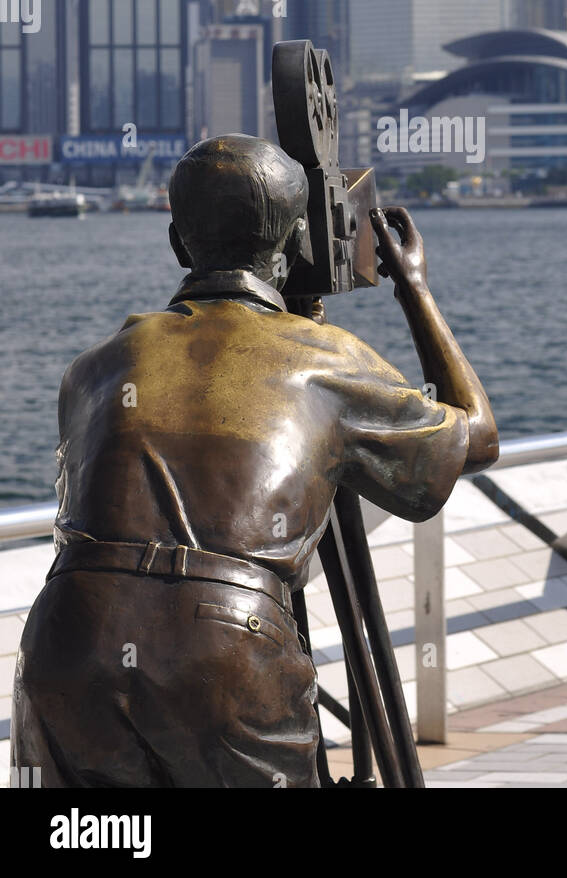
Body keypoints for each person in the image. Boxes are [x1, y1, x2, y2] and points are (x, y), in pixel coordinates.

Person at [11, 134, 497, 788]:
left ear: (178, 243)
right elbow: (476, 437)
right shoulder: (326, 359)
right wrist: (413, 289)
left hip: (69, 629)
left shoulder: (97, 366)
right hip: (223, 642)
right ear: (295, 245)